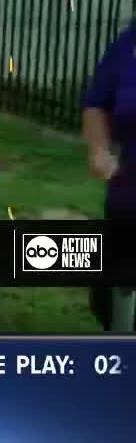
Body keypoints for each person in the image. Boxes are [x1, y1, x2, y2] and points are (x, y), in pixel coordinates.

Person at [82, 21, 136, 330]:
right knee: (110, 300)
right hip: (127, 197)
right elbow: (97, 103)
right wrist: (99, 149)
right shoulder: (128, 43)